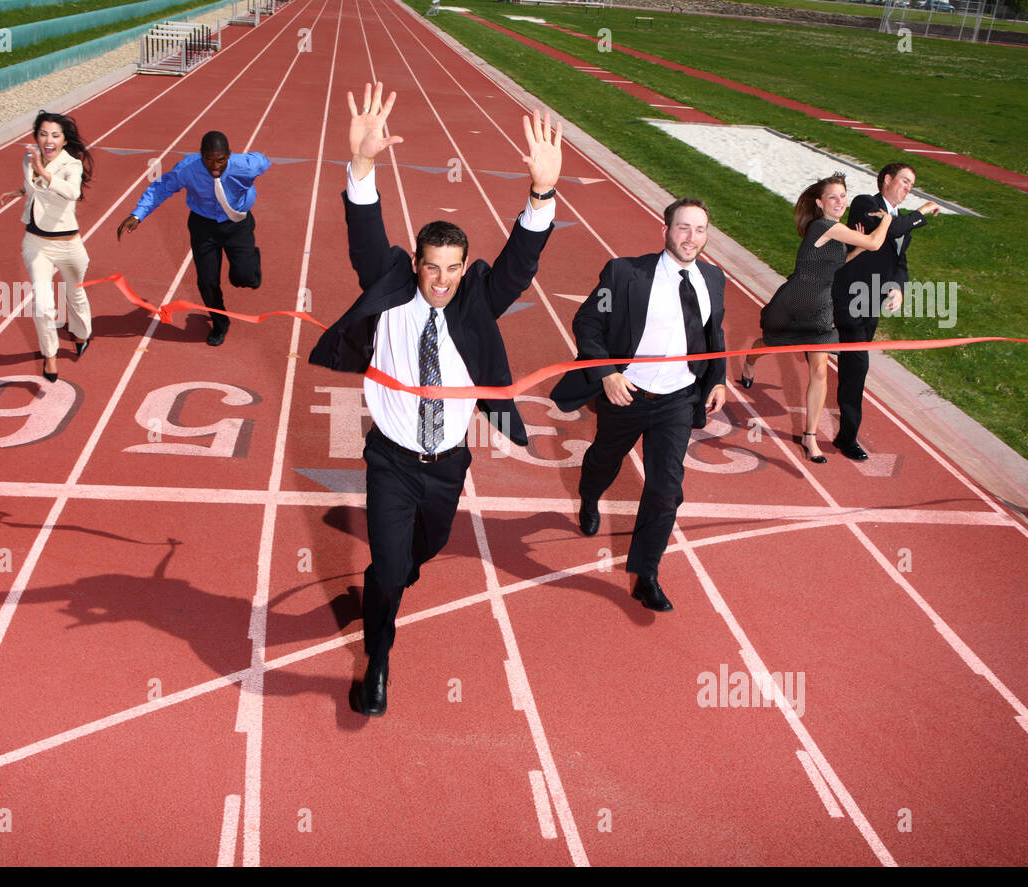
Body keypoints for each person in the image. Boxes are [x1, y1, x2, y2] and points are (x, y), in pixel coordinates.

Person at [309, 82, 562, 717]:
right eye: (432, 266)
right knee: (391, 572)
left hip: (448, 464)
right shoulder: (390, 289)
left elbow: (519, 263)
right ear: (415, 264)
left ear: (464, 266)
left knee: (425, 550)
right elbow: (365, 231)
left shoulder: (478, 297)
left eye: (453, 267)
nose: (442, 280)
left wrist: (541, 194)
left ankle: (389, 579)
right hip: (391, 460)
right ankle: (378, 661)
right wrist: (362, 164)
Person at [550, 198, 726, 613]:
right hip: (626, 395)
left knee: (666, 489)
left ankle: (646, 574)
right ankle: (589, 495)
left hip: (679, 400)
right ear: (664, 230)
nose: (691, 238)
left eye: (699, 230)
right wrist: (609, 373)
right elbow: (589, 321)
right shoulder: (625, 273)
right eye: (683, 228)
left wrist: (718, 379)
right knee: (603, 460)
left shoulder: (714, 278)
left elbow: (713, 333)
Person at [740, 172, 900, 464]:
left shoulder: (836, 232)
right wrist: (887, 219)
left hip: (821, 308)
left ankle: (809, 436)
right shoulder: (822, 226)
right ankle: (751, 359)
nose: (839, 201)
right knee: (773, 344)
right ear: (820, 202)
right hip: (795, 302)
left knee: (821, 370)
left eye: (842, 196)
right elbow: (876, 243)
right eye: (832, 197)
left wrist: (858, 246)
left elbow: (839, 264)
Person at [117, 131, 270, 346]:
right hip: (203, 225)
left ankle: (249, 264)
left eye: (220, 159)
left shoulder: (246, 165)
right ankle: (220, 322)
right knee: (207, 281)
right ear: (201, 155)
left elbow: (264, 162)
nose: (214, 166)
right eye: (208, 159)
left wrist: (257, 167)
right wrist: (138, 214)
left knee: (244, 277)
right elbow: (162, 187)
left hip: (237, 224)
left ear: (229, 155)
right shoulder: (188, 168)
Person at [830, 163, 939, 460]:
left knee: (849, 361)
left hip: (870, 304)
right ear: (887, 180)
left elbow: (899, 262)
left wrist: (898, 287)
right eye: (904, 181)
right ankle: (847, 437)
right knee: (857, 366)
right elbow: (891, 231)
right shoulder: (865, 203)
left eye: (912, 184)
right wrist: (924, 211)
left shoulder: (898, 220)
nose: (908, 188)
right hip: (848, 299)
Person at [0, 111, 94, 383]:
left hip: (69, 245)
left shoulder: (71, 165)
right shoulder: (29, 160)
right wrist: (20, 190)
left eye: (55, 135)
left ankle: (81, 333)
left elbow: (72, 192)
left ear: (64, 141)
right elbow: (34, 186)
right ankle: (49, 356)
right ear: (36, 137)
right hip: (36, 243)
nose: (48, 140)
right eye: (43, 134)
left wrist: (44, 173)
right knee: (42, 303)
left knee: (75, 296)